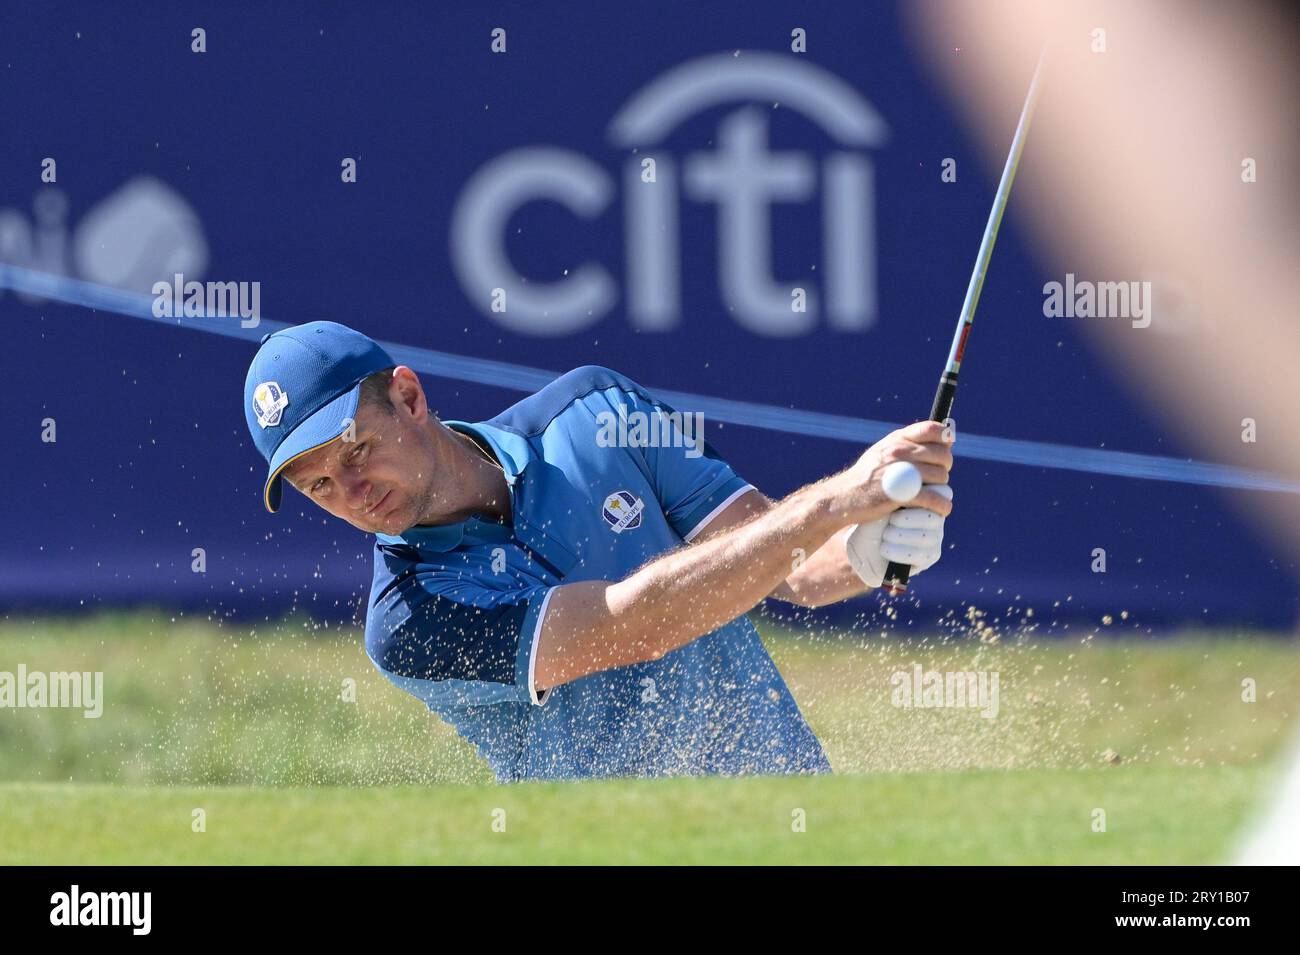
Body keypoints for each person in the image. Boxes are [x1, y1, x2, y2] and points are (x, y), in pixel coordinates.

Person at [243, 321, 954, 781]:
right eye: (321, 486)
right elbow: (632, 627)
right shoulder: (406, 621)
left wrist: (868, 552)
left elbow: (782, 566)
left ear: (409, 395)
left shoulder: (599, 412)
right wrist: (834, 503)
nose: (354, 492)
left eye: (357, 449)